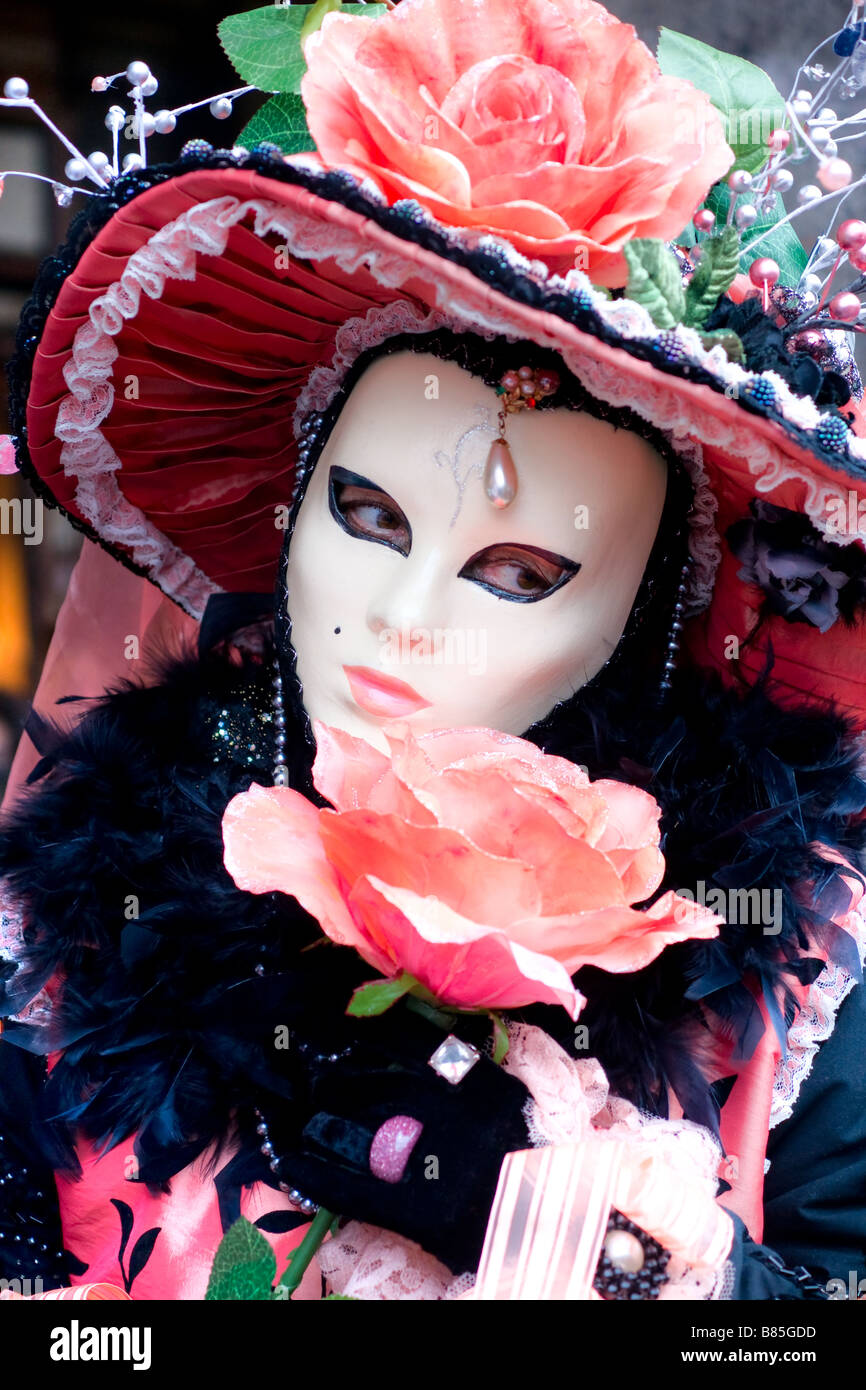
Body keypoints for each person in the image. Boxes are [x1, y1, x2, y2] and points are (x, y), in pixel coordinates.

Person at [1, 0, 866, 1301]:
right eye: (368, 515)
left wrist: (609, 1246)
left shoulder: (786, 964)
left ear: (641, 612)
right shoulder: (69, 914)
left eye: (521, 570)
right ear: (291, 507)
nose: (404, 612)